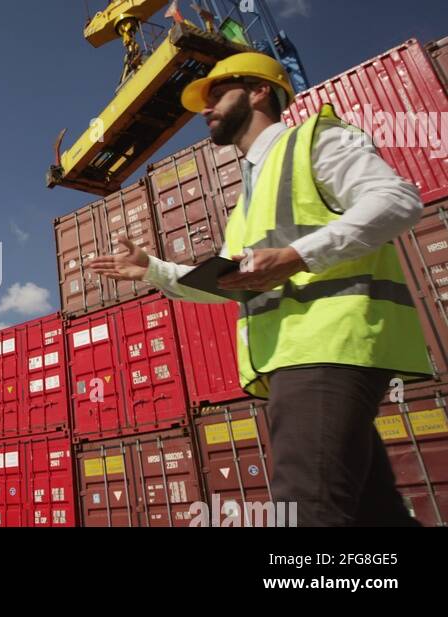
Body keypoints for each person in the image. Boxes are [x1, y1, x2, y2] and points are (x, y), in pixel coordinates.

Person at [88, 53, 432, 526]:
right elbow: (230, 287)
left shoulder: (315, 140)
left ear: (258, 91)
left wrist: (295, 256)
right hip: (293, 355)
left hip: (327, 343)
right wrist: (152, 269)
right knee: (374, 514)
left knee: (307, 508)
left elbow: (397, 201)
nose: (204, 110)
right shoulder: (245, 201)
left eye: (216, 95)